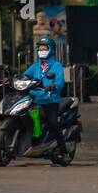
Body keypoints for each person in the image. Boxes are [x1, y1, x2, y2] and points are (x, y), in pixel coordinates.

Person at [24, 35, 69, 163]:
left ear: (51, 50)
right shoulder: (35, 66)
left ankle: (63, 151)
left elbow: (60, 81)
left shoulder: (57, 66)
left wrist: (53, 86)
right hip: (34, 99)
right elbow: (25, 75)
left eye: (44, 48)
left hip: (50, 101)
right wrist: (13, 79)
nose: (41, 50)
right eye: (40, 48)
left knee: (53, 123)